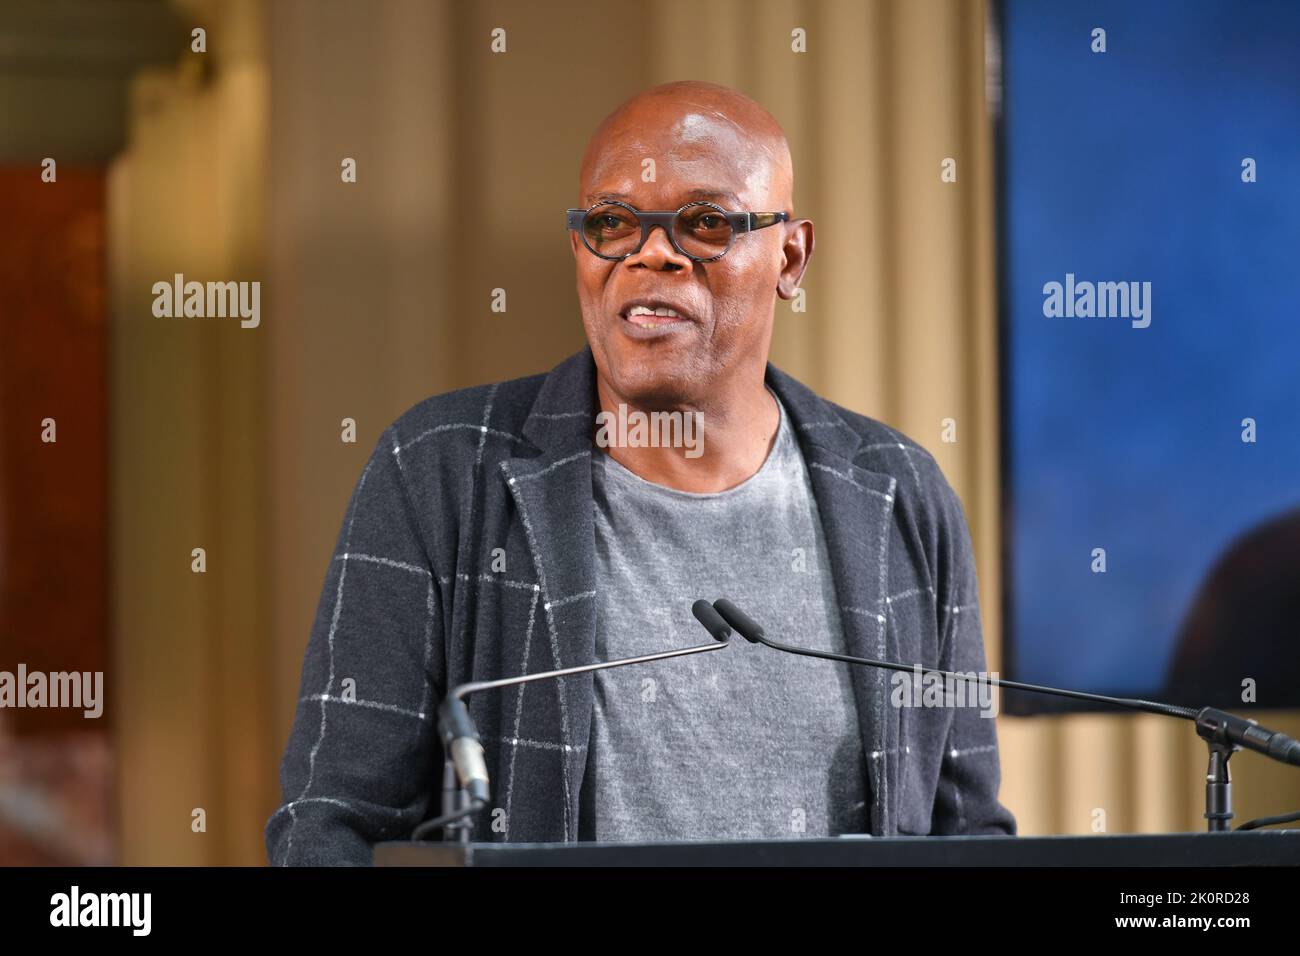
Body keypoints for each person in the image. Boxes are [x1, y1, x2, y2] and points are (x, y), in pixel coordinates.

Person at [266, 80, 1015, 865]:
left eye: (705, 222)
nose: (652, 253)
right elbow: (330, 825)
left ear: (790, 257)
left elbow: (968, 835)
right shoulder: (441, 472)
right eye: (613, 223)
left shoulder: (899, 492)